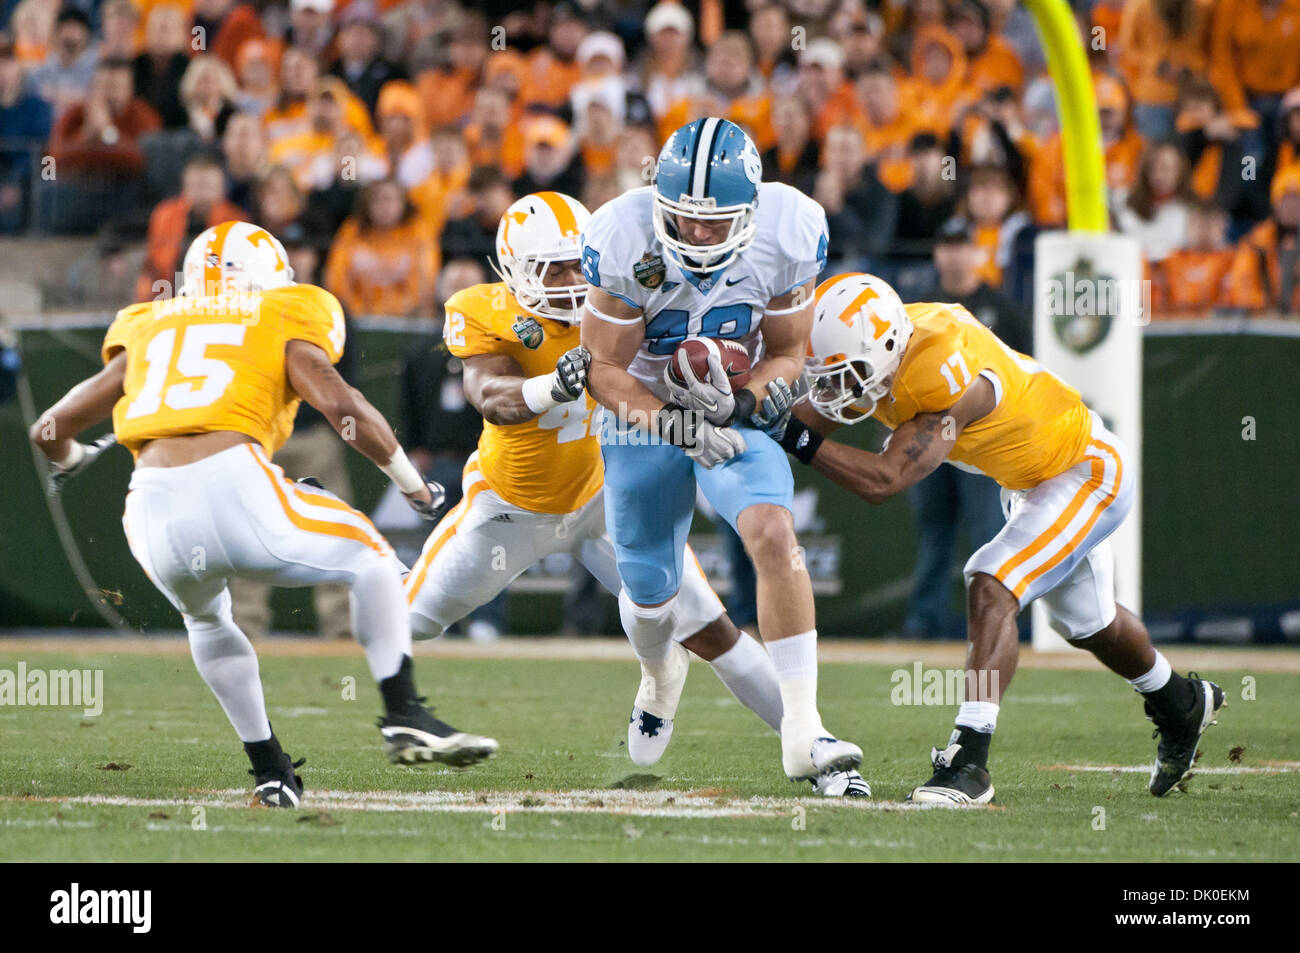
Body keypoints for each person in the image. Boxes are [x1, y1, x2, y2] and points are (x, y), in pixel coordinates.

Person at [406, 188, 864, 796]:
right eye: (555, 268)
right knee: (403, 620)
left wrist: (751, 394)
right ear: (515, 270)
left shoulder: (629, 294)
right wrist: (552, 387)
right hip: (513, 507)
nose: (574, 280)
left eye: (580, 263)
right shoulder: (482, 311)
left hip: (608, 496)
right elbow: (489, 396)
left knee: (712, 631)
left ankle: (817, 751)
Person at [29, 220, 497, 807]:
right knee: (371, 555)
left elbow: (48, 429)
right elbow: (341, 403)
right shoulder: (280, 313)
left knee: (208, 622)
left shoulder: (148, 323)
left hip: (148, 511)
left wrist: (70, 457)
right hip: (233, 485)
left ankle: (272, 772)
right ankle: (405, 713)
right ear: (269, 276)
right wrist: (411, 485)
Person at [777, 272, 1225, 803]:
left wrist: (788, 432)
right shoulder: (881, 346)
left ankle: (969, 763)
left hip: (1083, 470)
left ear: (885, 350)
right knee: (1089, 624)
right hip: (1031, 480)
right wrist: (746, 415)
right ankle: (1183, 703)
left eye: (844, 375)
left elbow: (885, 479)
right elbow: (803, 419)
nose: (835, 389)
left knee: (991, 581)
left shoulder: (944, 370)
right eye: (826, 376)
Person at [580, 118, 865, 788]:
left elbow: (791, 353)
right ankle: (659, 673)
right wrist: (672, 425)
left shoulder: (788, 229)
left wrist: (746, 399)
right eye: (684, 220)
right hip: (641, 420)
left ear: (752, 211)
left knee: (773, 530)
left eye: (715, 223)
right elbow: (601, 369)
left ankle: (804, 727)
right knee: (652, 595)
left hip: (731, 408)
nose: (699, 234)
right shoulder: (624, 235)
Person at [901, 217, 1025, 640]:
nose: (954, 254)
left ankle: (994, 625)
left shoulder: (1002, 308)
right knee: (934, 533)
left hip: (981, 442)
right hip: (931, 436)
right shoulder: (922, 307)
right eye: (947, 246)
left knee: (988, 533)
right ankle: (924, 621)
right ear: (938, 253)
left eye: (962, 246)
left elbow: (1023, 373)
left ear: (978, 252)